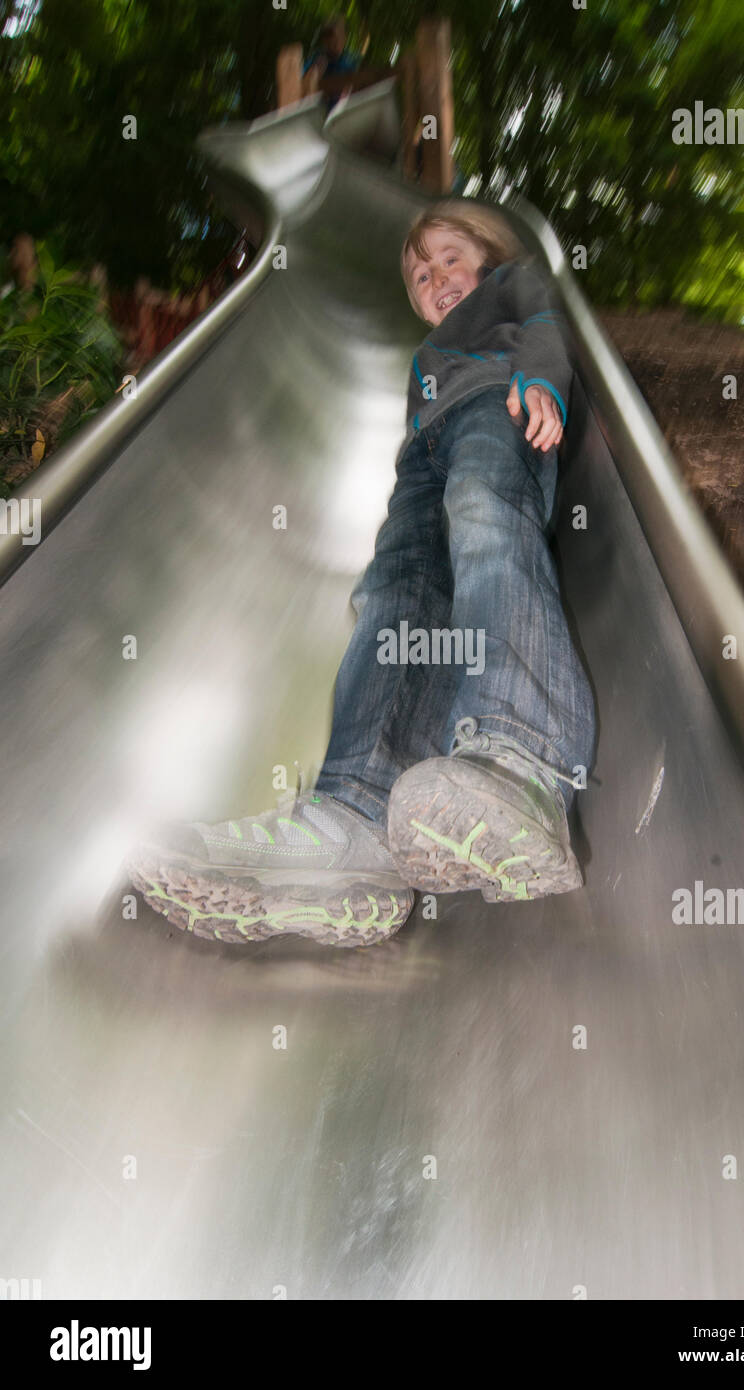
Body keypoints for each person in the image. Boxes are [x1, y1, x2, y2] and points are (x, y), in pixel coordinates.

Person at [126, 202, 596, 948]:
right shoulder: (423, 360)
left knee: (483, 520)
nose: (435, 276)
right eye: (419, 273)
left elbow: (544, 325)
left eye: (449, 258)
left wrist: (541, 383)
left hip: (496, 411)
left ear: (490, 259)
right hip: (421, 460)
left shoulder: (511, 286)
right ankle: (355, 820)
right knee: (393, 597)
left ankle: (520, 754)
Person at [302, 15, 361, 112]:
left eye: (340, 36)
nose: (335, 42)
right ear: (324, 41)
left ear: (345, 37)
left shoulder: (352, 61)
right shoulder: (316, 58)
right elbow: (301, 86)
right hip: (316, 112)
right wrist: (315, 71)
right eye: (330, 38)